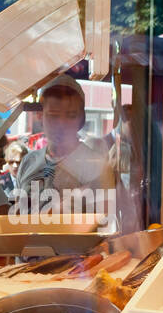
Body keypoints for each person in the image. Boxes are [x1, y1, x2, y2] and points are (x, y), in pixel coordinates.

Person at [15, 75, 116, 217]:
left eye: (71, 115)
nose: (62, 124)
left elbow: (106, 223)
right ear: (40, 115)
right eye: (54, 115)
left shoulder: (97, 167)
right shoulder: (28, 162)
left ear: (81, 119)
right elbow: (16, 219)